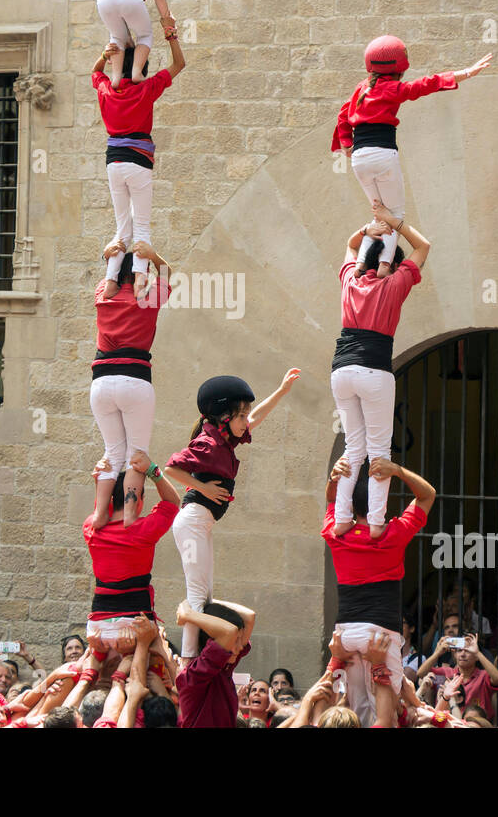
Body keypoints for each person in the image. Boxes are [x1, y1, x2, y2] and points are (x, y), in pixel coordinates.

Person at [164, 371, 299, 657]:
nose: (245, 421)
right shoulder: (208, 443)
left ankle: (200, 653)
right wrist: (204, 488)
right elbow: (171, 468)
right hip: (191, 523)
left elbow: (256, 418)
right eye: (240, 416)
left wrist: (281, 390)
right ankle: (188, 661)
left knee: (205, 596)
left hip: (202, 525)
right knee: (197, 598)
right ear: (224, 417)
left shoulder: (225, 438)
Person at [332, 37, 491, 277]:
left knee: (379, 213)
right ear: (400, 67)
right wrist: (466, 73)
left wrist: (346, 144)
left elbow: (343, 115)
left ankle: (360, 265)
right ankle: (385, 266)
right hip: (383, 154)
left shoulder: (360, 88)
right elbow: (427, 84)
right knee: (394, 215)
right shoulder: (392, 88)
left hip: (359, 159)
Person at [331, 211, 430, 537]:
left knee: (353, 449)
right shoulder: (394, 284)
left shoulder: (349, 279)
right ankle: (375, 523)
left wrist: (371, 229)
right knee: (379, 451)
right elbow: (424, 246)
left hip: (341, 370)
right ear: (392, 263)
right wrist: (395, 223)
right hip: (374, 371)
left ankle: (343, 518)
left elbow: (349, 244)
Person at [322, 455, 436, 726]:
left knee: (353, 714)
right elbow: (428, 495)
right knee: (385, 718)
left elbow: (330, 501)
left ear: (348, 505)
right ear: (380, 505)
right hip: (381, 636)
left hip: (346, 635)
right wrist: (397, 471)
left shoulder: (334, 534)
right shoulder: (392, 534)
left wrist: (334, 479)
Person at [91, 23, 185, 295]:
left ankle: (111, 281)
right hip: (139, 162)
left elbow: (95, 73)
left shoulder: (107, 89)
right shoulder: (147, 89)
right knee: (141, 223)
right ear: (142, 70)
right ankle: (140, 278)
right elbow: (180, 64)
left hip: (113, 163)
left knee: (123, 226)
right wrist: (172, 37)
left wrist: (104, 56)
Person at [89, 243, 173, 528]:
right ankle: (129, 515)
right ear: (140, 272)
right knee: (136, 453)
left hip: (101, 383)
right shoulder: (148, 299)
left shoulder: (104, 294)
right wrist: (151, 255)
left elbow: (109, 276)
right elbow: (167, 271)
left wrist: (108, 255)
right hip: (135, 380)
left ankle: (101, 513)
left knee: (112, 451)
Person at [83, 451, 180, 660]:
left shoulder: (91, 529)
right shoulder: (144, 529)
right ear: (139, 499)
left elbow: (102, 512)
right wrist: (153, 471)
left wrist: (100, 483)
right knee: (158, 679)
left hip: (98, 629)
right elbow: (172, 502)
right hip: (136, 625)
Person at [174, 598, 256, 728]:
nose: (241, 647)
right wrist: (189, 615)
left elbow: (250, 617)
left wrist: (202, 600)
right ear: (211, 642)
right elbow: (229, 632)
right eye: (236, 640)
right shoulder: (193, 676)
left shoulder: (225, 668)